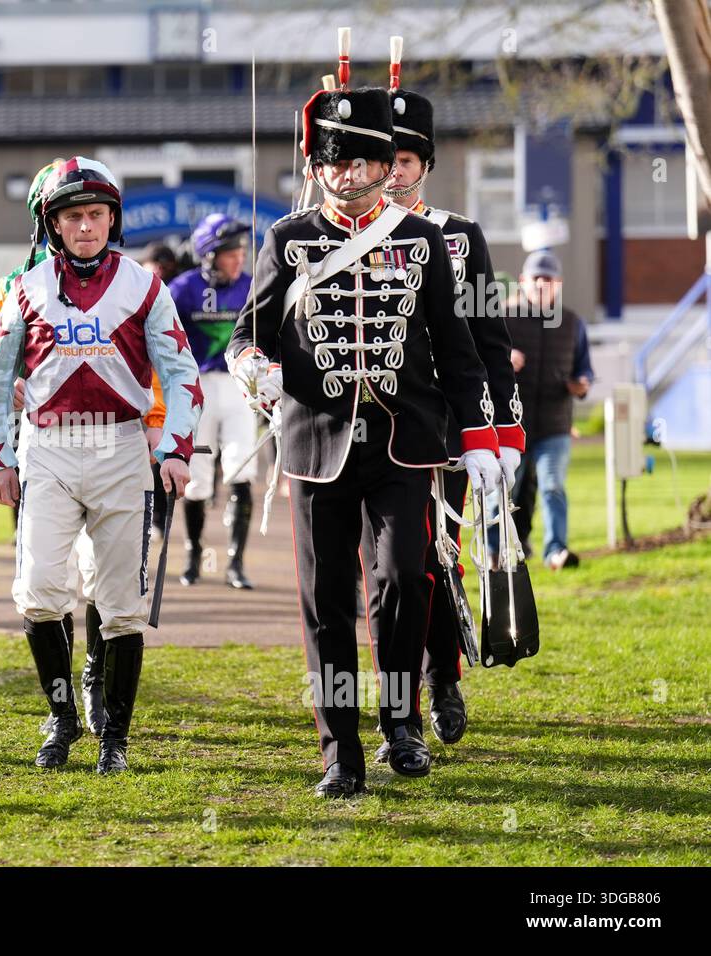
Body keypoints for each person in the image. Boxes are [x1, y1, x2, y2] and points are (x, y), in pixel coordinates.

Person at [227, 41, 503, 798]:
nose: (349, 174)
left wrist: (481, 441)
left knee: (402, 581)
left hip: (406, 443)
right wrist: (256, 372)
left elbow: (460, 348)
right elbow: (244, 335)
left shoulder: (420, 241)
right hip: (315, 444)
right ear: (317, 165)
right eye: (335, 160)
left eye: (363, 161)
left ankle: (401, 724)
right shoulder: (288, 239)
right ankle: (340, 749)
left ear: (389, 166)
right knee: (327, 606)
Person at [0, 157, 202, 773]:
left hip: (122, 447)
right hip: (46, 447)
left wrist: (176, 449)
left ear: (113, 219)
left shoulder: (146, 286)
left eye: (97, 214)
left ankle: (115, 738)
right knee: (41, 593)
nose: (86, 226)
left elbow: (182, 374)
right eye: (73, 216)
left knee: (121, 600)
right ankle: (61, 716)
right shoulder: (23, 288)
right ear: (52, 224)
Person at [358, 43, 524, 755]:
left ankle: (442, 678)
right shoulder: (346, 235)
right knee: (391, 568)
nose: (393, 174)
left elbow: (488, 339)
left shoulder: (459, 236)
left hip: (449, 427)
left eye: (405, 161)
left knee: (437, 557)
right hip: (372, 429)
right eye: (382, 159)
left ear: (424, 165)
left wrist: (502, 431)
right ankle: (402, 698)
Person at [170, 213, 259, 589]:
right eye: (229, 252)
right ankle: (193, 556)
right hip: (198, 388)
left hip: (240, 387)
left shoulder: (253, 286)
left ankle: (236, 563)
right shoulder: (182, 288)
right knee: (198, 478)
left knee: (242, 468)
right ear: (208, 254)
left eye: (241, 250)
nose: (239, 258)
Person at [503, 249, 593, 569]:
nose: (542, 285)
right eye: (536, 279)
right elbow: (481, 365)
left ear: (559, 284)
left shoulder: (572, 324)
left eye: (549, 279)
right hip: (512, 426)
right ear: (524, 282)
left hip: (555, 426)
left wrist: (580, 384)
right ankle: (499, 550)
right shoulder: (503, 319)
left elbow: (585, 371)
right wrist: (504, 359)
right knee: (506, 492)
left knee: (552, 487)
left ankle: (556, 551)